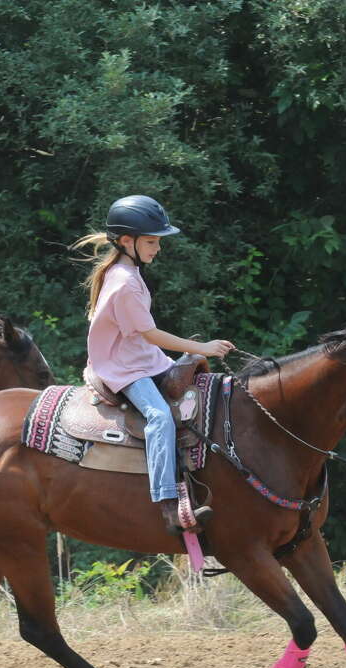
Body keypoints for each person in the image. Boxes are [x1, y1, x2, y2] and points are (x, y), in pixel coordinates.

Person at [76, 195, 235, 534]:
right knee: (160, 417)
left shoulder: (127, 271)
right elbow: (150, 333)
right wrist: (201, 346)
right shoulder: (124, 283)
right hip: (124, 367)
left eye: (158, 241)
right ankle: (168, 505)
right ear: (126, 241)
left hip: (143, 359)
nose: (158, 248)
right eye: (151, 242)